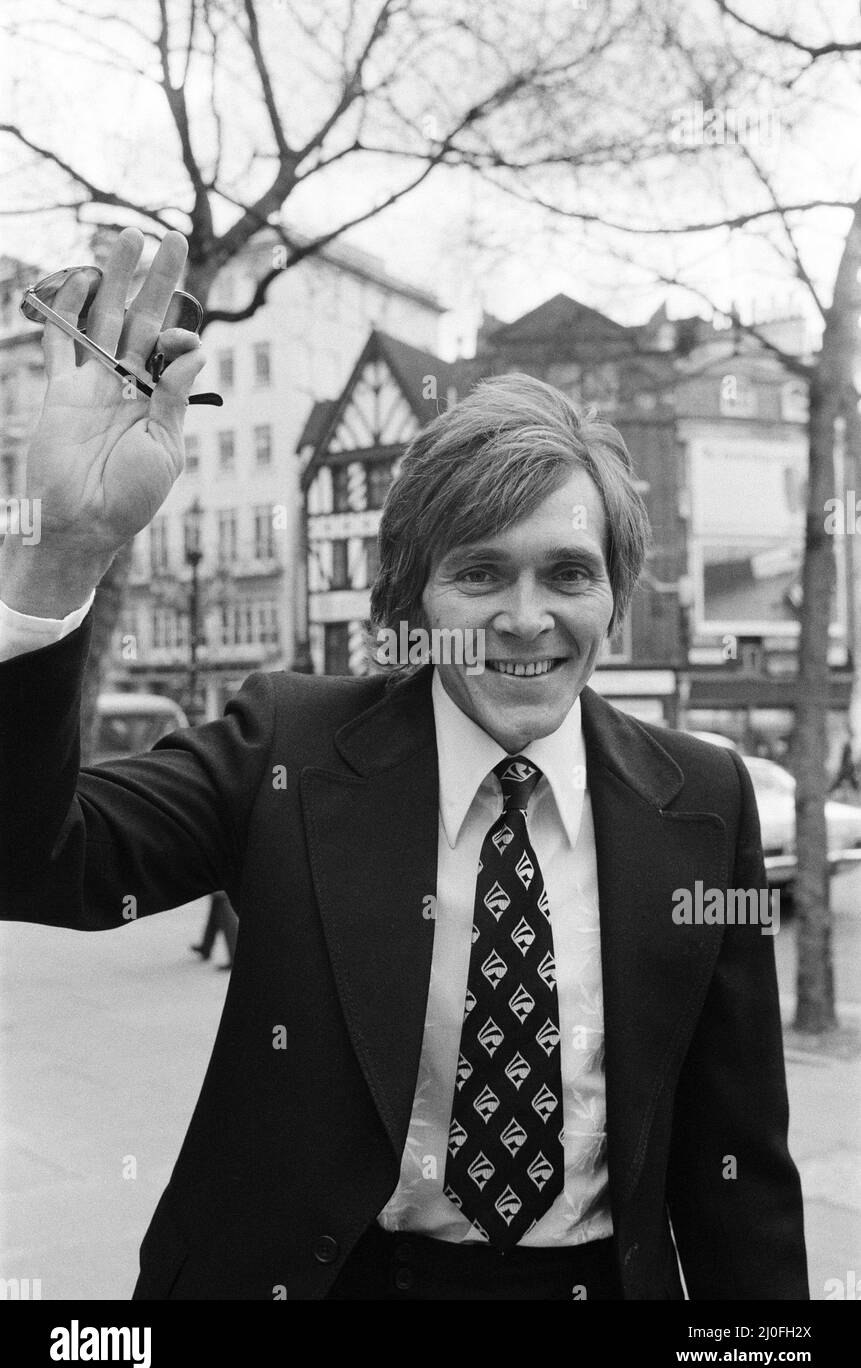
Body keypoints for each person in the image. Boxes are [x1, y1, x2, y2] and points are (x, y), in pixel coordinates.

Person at [0, 229, 807, 1301]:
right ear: (411, 596)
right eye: (479, 572)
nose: (527, 618)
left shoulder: (705, 802)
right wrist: (62, 552)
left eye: (568, 571)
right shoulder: (286, 744)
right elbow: (36, 860)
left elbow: (738, 1167)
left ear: (618, 590)